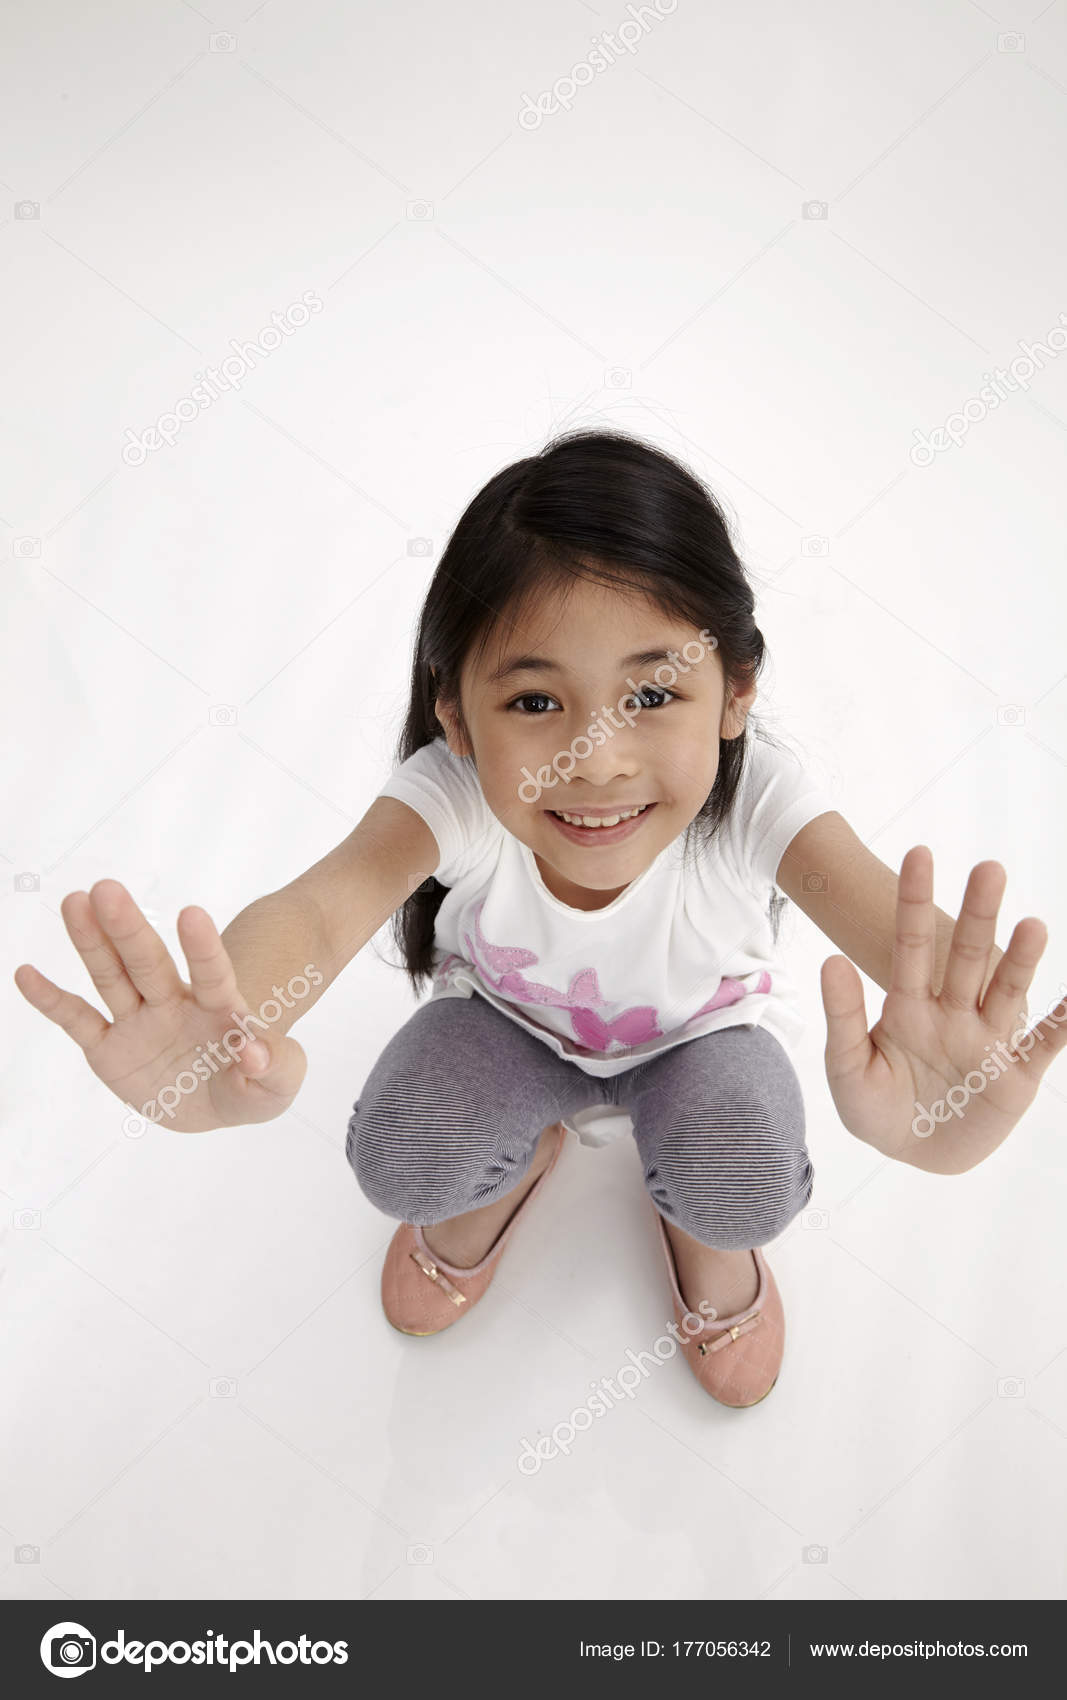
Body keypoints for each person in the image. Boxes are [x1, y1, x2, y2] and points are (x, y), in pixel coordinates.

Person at [15, 428, 1066, 1410]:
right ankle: (516, 1159)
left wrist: (950, 1090)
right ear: (453, 713)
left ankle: (697, 1217)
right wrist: (233, 1013)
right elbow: (322, 908)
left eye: (651, 695)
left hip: (698, 1048)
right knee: (403, 1158)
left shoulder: (751, 796)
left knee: (737, 1173)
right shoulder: (456, 789)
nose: (594, 758)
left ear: (735, 688)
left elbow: (903, 940)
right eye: (532, 702)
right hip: (507, 1035)